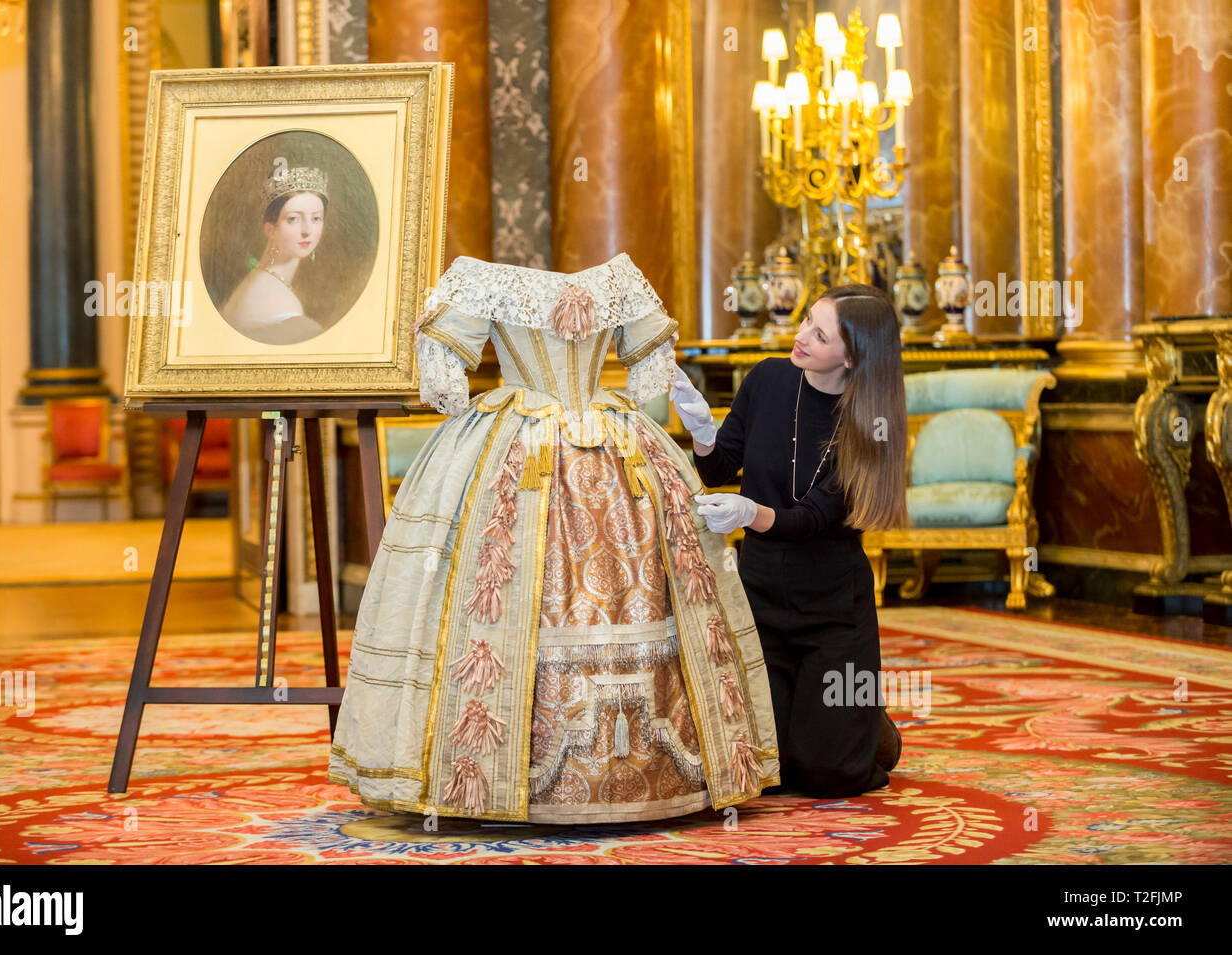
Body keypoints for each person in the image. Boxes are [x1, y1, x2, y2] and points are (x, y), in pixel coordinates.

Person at [329, 252, 780, 823]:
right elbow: (650, 374)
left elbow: (442, 373)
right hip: (601, 440)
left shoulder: (495, 279)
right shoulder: (585, 279)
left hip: (527, 435)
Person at [670, 283, 907, 798]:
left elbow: (813, 518)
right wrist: (703, 430)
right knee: (766, 772)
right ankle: (833, 721)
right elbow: (717, 467)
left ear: (852, 358)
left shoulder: (873, 425)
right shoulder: (770, 379)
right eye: (805, 321)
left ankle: (875, 731)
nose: (800, 337)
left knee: (830, 777)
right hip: (760, 599)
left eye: (819, 336)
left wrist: (749, 511)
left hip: (832, 609)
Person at [221, 165, 328, 345]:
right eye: (293, 219)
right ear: (271, 230)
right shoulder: (276, 300)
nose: (307, 230)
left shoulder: (264, 279)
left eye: (316, 218)